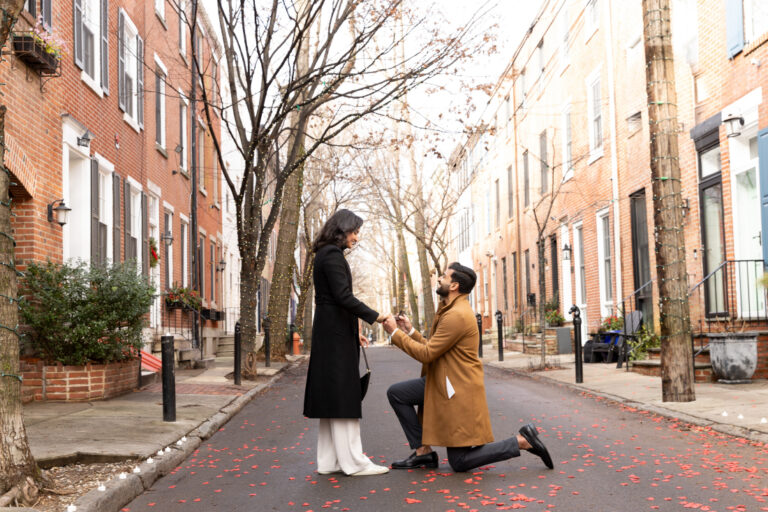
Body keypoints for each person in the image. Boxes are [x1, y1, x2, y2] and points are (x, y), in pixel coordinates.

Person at [382, 262, 553, 473]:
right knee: (398, 394)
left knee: (460, 461)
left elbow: (427, 354)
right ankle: (423, 452)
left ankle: (521, 441)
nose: (439, 279)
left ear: (454, 286)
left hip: (457, 390)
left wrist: (394, 334)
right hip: (444, 382)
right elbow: (435, 348)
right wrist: (410, 332)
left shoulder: (457, 315)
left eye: (444, 277)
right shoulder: (452, 309)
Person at [302, 209, 390, 476]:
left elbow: (333, 299)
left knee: (333, 397)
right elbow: (342, 296)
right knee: (343, 396)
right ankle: (354, 462)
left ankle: (329, 461)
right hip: (334, 333)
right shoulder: (332, 255)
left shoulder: (324, 254)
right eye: (354, 231)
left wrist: (354, 331)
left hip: (332, 330)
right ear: (342, 230)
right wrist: (376, 316)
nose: (357, 237)